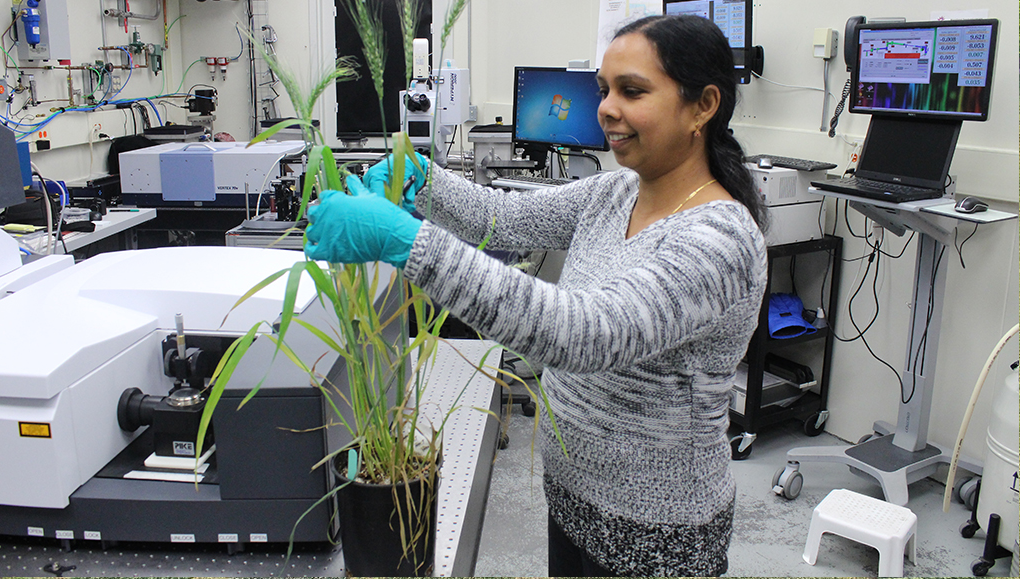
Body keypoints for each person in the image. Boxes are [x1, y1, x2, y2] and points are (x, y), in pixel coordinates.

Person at [303, 14, 768, 577]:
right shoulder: (619, 190)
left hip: (656, 535)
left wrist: (405, 241)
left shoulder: (718, 238)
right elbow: (508, 219)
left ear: (703, 105)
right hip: (574, 499)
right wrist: (421, 178)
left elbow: (582, 333)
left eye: (632, 91)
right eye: (604, 90)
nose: (607, 109)